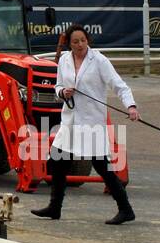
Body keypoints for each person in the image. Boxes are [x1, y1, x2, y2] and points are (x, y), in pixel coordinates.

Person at [32, 24, 139, 225]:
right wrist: (63, 93)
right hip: (70, 121)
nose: (80, 44)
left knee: (102, 167)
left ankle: (126, 209)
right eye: (75, 41)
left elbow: (119, 85)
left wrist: (131, 106)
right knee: (56, 162)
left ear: (87, 40)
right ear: (69, 44)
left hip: (91, 123)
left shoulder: (98, 60)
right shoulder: (64, 60)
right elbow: (57, 87)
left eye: (82, 40)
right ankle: (55, 208)